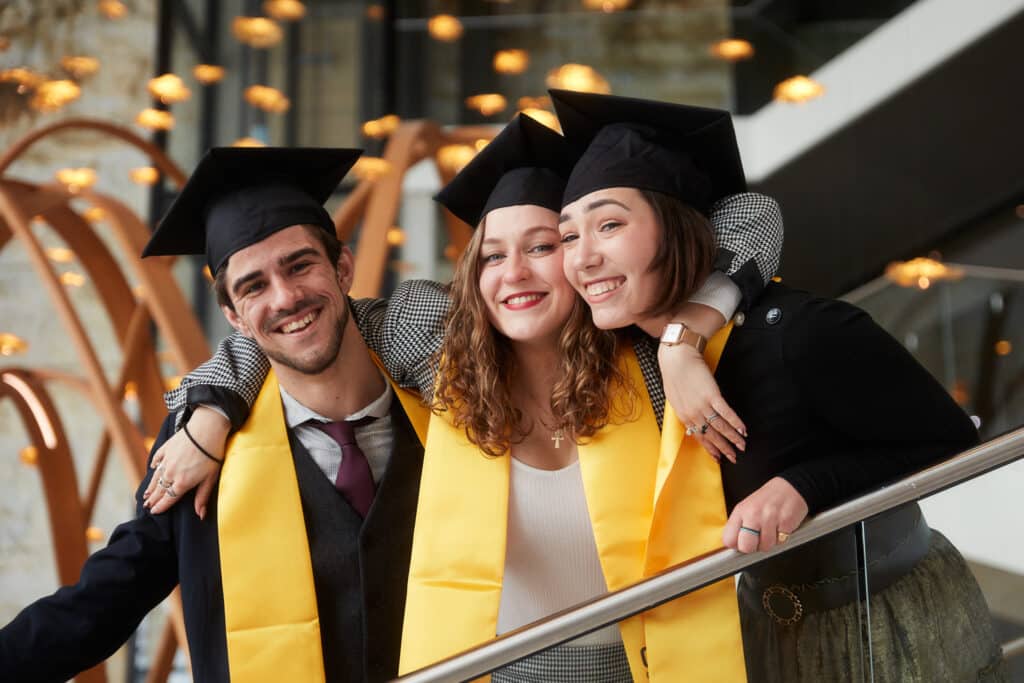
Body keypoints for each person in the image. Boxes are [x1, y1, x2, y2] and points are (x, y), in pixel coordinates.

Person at [153, 113, 785, 682]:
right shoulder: (447, 363)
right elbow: (308, 325)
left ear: (583, 254)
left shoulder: (645, 360)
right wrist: (214, 408)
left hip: (654, 665)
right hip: (496, 670)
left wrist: (683, 337)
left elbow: (755, 215)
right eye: (492, 256)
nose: (515, 273)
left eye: (544, 246)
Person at [550, 88, 1007, 682]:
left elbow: (948, 438)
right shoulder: (617, 370)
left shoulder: (799, 332)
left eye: (609, 224)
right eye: (566, 237)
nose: (582, 258)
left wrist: (805, 486)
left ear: (675, 227)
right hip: (760, 626)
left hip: (892, 617)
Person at [0, 148, 431, 683]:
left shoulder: (448, 409)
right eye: (254, 286)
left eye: (300, 265)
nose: (287, 297)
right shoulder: (199, 449)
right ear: (233, 316)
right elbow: (110, 593)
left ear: (342, 267)